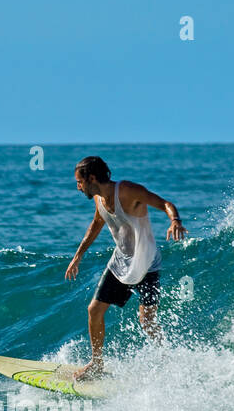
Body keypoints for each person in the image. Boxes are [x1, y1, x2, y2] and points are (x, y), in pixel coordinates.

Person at [65, 156, 187, 379]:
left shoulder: (128, 191)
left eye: (79, 182)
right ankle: (97, 364)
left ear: (92, 178)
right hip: (121, 262)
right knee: (94, 310)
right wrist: (77, 256)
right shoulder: (99, 199)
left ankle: (169, 361)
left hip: (147, 263)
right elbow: (96, 224)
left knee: (147, 322)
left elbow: (165, 204)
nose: (78, 186)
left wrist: (175, 220)